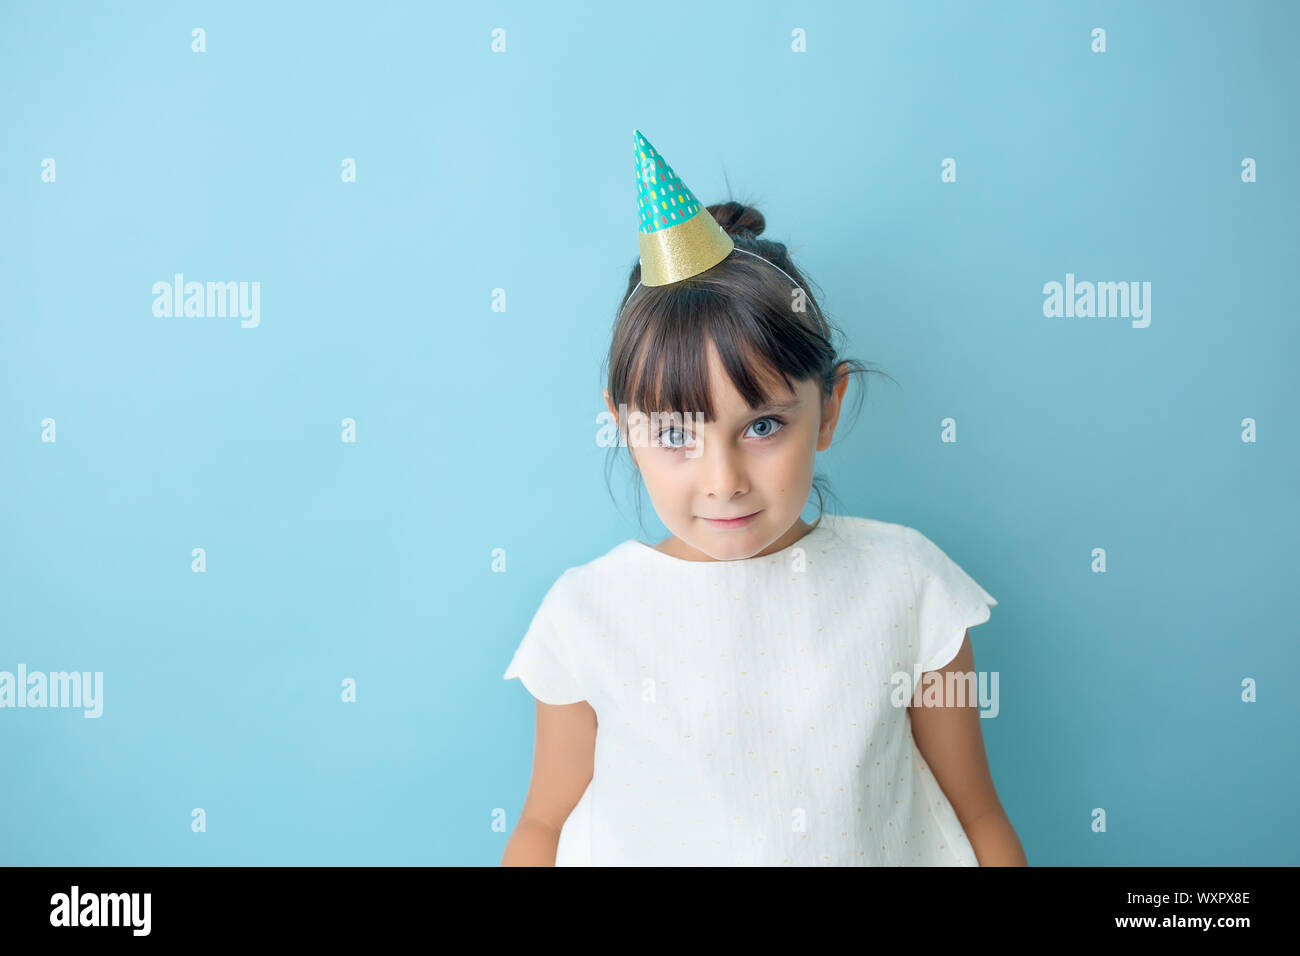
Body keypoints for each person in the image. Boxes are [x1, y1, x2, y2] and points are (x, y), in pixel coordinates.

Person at [501, 130, 1026, 866]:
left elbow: (976, 817)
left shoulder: (908, 587)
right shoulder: (588, 615)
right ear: (622, 427)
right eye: (677, 433)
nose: (722, 480)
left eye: (764, 425)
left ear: (831, 407)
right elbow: (543, 826)